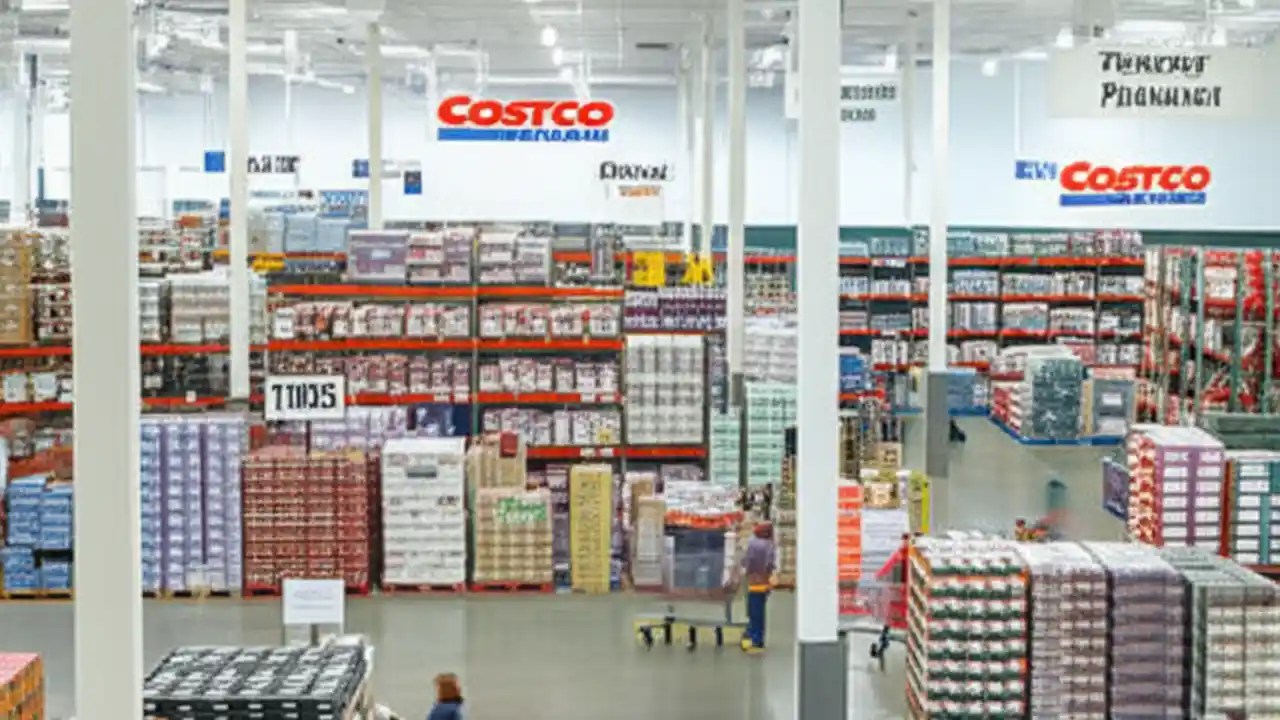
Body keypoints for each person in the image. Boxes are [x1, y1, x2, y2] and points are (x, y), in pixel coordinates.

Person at [740, 522, 776, 654]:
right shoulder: (770, 545)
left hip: (753, 582)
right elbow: (771, 564)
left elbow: (747, 561)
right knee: (760, 614)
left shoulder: (753, 544)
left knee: (753, 612)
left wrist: (744, 570)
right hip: (764, 583)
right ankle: (758, 638)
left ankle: (754, 638)